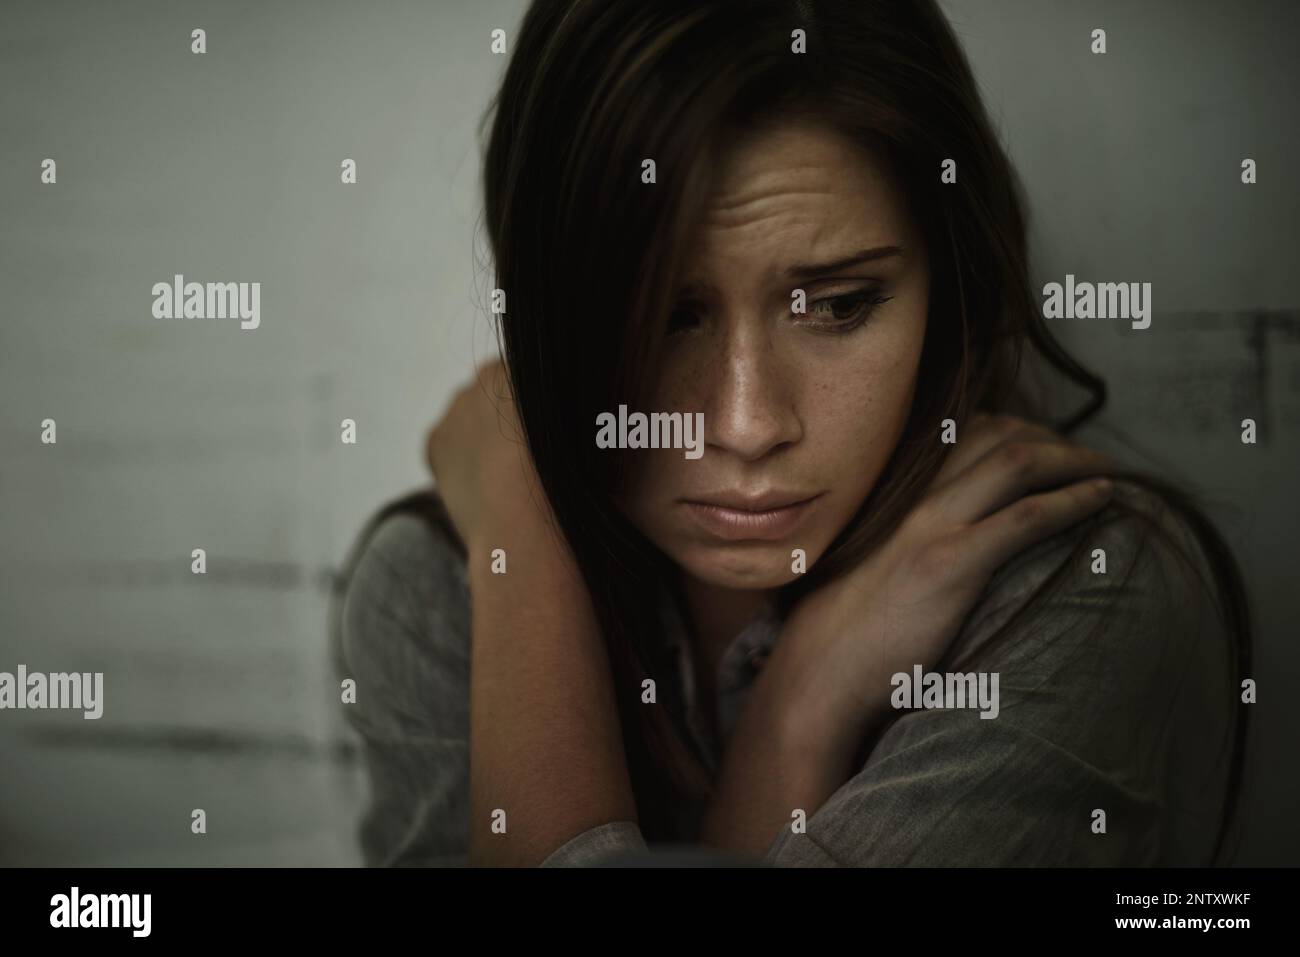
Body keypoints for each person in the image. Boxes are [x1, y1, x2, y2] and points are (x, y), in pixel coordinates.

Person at [330, 0, 1250, 867]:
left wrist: (515, 514)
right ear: (540, 308)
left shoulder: (1072, 591)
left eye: (842, 305)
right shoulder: (435, 592)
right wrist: (794, 719)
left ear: (948, 280)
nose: (747, 424)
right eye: (660, 317)